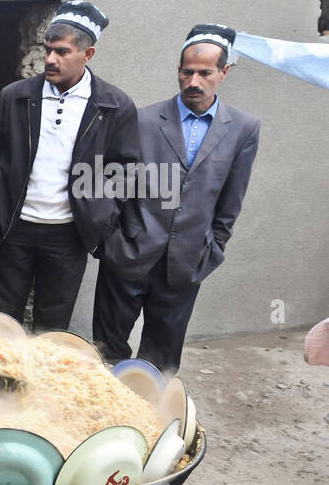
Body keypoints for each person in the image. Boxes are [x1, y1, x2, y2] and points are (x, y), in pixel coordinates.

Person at [94, 24, 261, 374]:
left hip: (187, 261)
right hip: (128, 255)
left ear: (224, 73)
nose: (194, 81)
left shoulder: (244, 128)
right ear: (179, 71)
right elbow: (111, 185)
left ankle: (151, 422)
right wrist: (110, 242)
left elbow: (232, 198)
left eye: (205, 73)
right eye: (187, 72)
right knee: (106, 352)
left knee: (162, 361)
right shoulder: (141, 120)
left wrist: (212, 248)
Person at [0, 0, 140, 331]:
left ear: (88, 55)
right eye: (48, 49)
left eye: (62, 52)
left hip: (69, 234)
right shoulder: (15, 97)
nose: (51, 59)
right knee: (1, 319)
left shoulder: (114, 105)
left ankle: (42, 383)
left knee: (53, 325)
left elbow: (125, 171)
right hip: (14, 230)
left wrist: (100, 215)